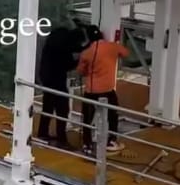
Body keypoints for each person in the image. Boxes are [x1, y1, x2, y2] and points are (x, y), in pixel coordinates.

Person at [77, 26, 129, 156]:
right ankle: (111, 141)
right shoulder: (113, 47)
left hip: (91, 90)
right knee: (112, 116)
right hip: (108, 89)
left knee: (87, 118)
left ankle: (87, 144)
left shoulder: (87, 52)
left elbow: (80, 71)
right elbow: (126, 53)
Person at [36, 23, 88, 148]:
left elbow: (72, 48)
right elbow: (68, 65)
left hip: (45, 75)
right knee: (62, 109)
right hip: (56, 79)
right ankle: (61, 139)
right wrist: (81, 59)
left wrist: (83, 49)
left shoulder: (58, 36)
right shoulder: (64, 47)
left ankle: (42, 132)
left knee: (48, 106)